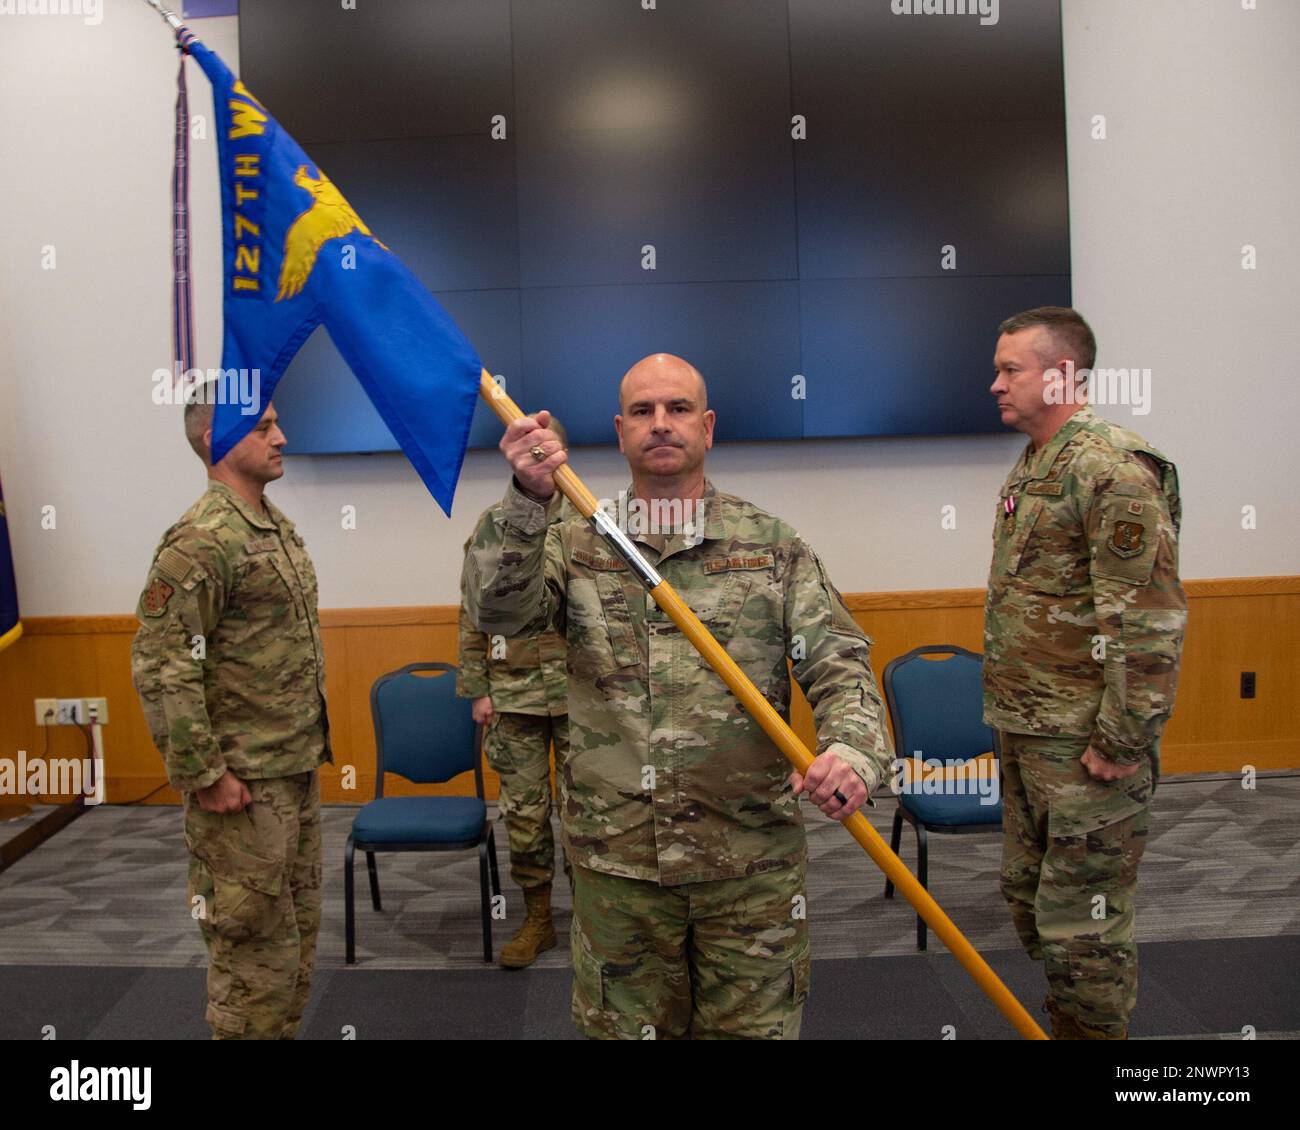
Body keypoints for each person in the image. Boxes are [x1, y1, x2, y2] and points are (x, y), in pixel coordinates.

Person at [464, 353, 893, 1039]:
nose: (661, 424)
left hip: (747, 866)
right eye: (643, 411)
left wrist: (852, 750)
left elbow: (840, 663)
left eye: (678, 408)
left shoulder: (772, 547)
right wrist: (526, 497)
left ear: (709, 426)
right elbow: (500, 612)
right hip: (619, 871)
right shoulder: (573, 541)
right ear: (620, 429)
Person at [984, 307, 1186, 1040]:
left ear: (1062, 375)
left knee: (1084, 931)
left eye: (1012, 370)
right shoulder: (1040, 462)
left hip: (1087, 752)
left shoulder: (1111, 469)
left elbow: (1147, 621)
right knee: (1032, 903)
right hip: (1029, 735)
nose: (996, 384)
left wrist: (1122, 741)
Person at [131, 383, 329, 1040]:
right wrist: (204, 773)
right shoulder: (202, 539)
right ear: (219, 438)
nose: (283, 438)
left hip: (291, 771)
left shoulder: (271, 524)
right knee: (251, 960)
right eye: (265, 426)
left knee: (293, 951)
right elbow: (163, 663)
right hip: (242, 790)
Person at [458, 417, 574, 969]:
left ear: (563, 452)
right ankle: (538, 919)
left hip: (586, 697)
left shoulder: (596, 518)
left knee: (593, 814)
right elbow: (471, 613)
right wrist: (478, 687)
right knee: (526, 816)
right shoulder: (496, 524)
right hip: (515, 694)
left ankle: (600, 919)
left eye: (549, 448)